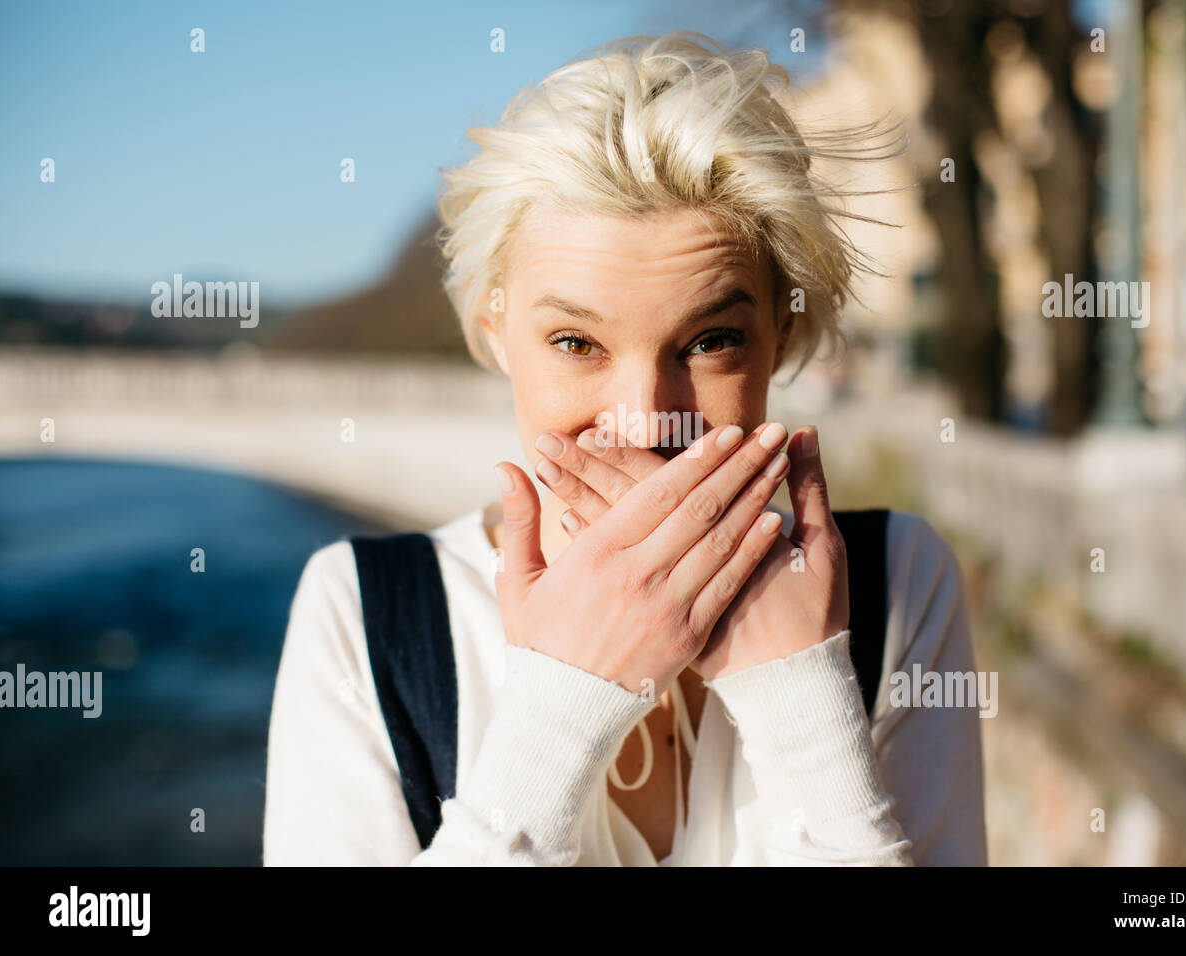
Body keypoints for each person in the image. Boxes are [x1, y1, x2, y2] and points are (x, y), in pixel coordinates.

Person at [263, 29, 987, 866]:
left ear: (780, 337)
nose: (646, 421)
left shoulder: (899, 585)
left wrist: (803, 700)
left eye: (711, 340)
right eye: (576, 343)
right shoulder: (363, 619)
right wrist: (563, 707)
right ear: (498, 333)